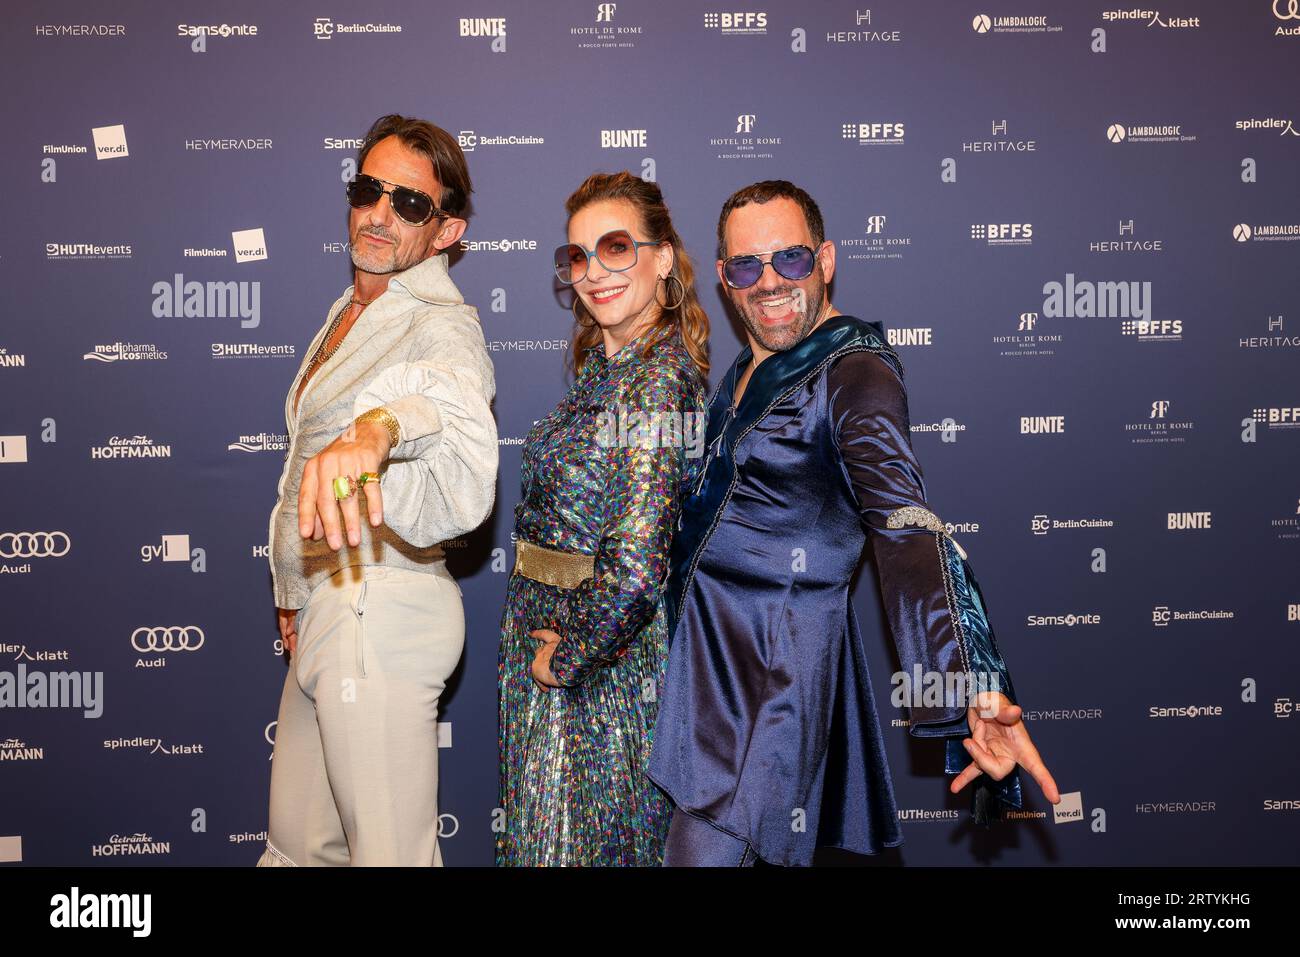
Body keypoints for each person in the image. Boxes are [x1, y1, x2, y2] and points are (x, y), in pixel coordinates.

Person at [647, 180, 1061, 867]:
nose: (771, 282)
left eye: (792, 260)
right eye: (748, 266)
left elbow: (905, 523)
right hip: (712, 682)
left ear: (827, 259)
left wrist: (971, 682)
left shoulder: (856, 372)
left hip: (767, 691)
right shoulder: (749, 371)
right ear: (723, 278)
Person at [257, 114, 497, 867]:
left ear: (447, 228)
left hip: (384, 610)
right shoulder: (351, 309)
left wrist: (380, 427)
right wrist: (296, 589)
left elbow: (454, 406)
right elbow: (305, 468)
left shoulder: (441, 321)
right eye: (368, 189)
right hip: (337, 603)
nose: (380, 213)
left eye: (411, 204)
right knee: (299, 850)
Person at [496, 172, 709, 866]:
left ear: (664, 258)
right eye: (578, 256)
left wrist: (569, 657)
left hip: (598, 673)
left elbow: (639, 565)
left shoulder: (658, 379)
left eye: (615, 246)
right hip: (556, 647)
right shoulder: (609, 369)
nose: (592, 271)